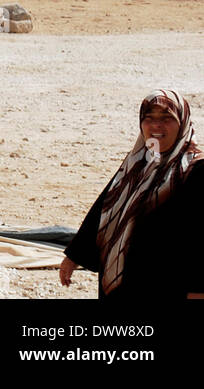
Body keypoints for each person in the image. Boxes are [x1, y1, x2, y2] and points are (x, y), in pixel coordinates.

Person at [59, 89, 203, 300]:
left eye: (166, 118)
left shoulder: (196, 170)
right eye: (149, 118)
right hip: (128, 279)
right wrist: (74, 256)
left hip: (169, 284)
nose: (156, 126)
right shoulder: (139, 161)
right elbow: (107, 206)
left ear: (182, 122)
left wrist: (198, 290)